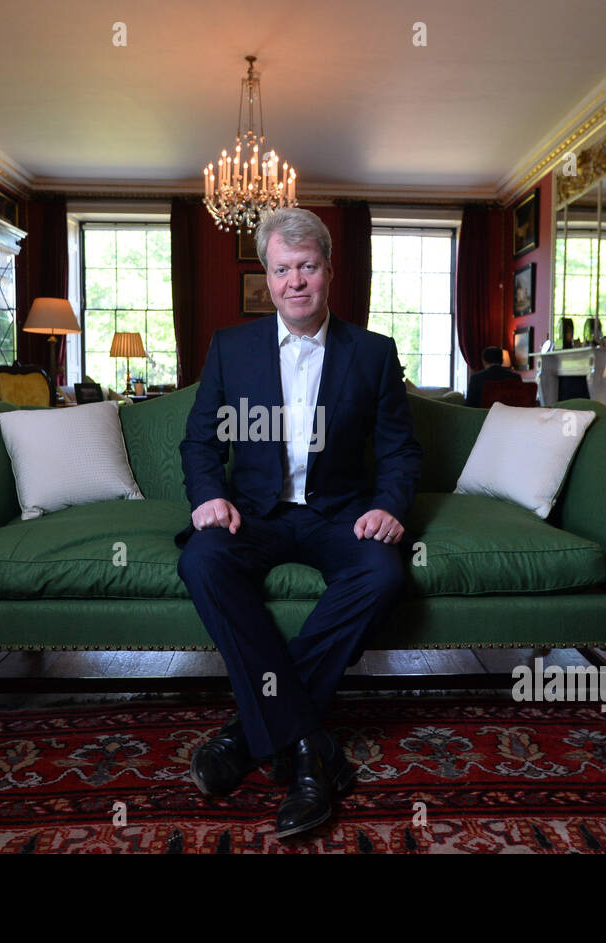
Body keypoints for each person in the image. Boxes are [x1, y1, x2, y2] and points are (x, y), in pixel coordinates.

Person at [176, 207, 422, 840]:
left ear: (329, 273)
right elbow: (200, 442)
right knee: (201, 559)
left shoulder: (373, 353)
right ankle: (311, 748)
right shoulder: (231, 348)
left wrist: (388, 507)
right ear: (268, 276)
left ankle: (247, 736)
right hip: (253, 514)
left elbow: (399, 451)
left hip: (338, 514)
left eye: (307, 267)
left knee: (382, 573)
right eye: (282, 269)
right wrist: (208, 497)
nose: (295, 282)